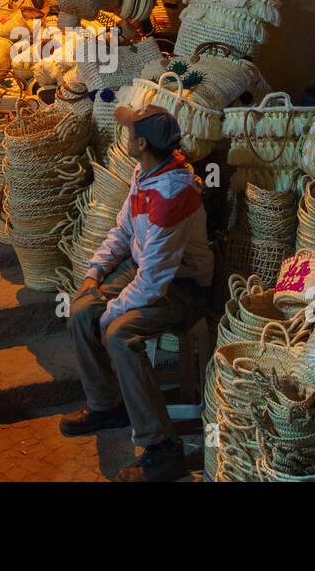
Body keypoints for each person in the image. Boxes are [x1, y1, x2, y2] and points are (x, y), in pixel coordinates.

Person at [63, 104, 213, 482]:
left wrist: (112, 310)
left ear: (142, 143)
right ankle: (107, 405)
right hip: (145, 269)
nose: (126, 137)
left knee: (119, 333)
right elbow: (123, 231)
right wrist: (94, 275)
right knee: (81, 310)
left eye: (131, 132)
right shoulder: (144, 174)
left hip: (182, 285)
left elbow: (153, 283)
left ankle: (163, 449)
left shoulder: (171, 194)